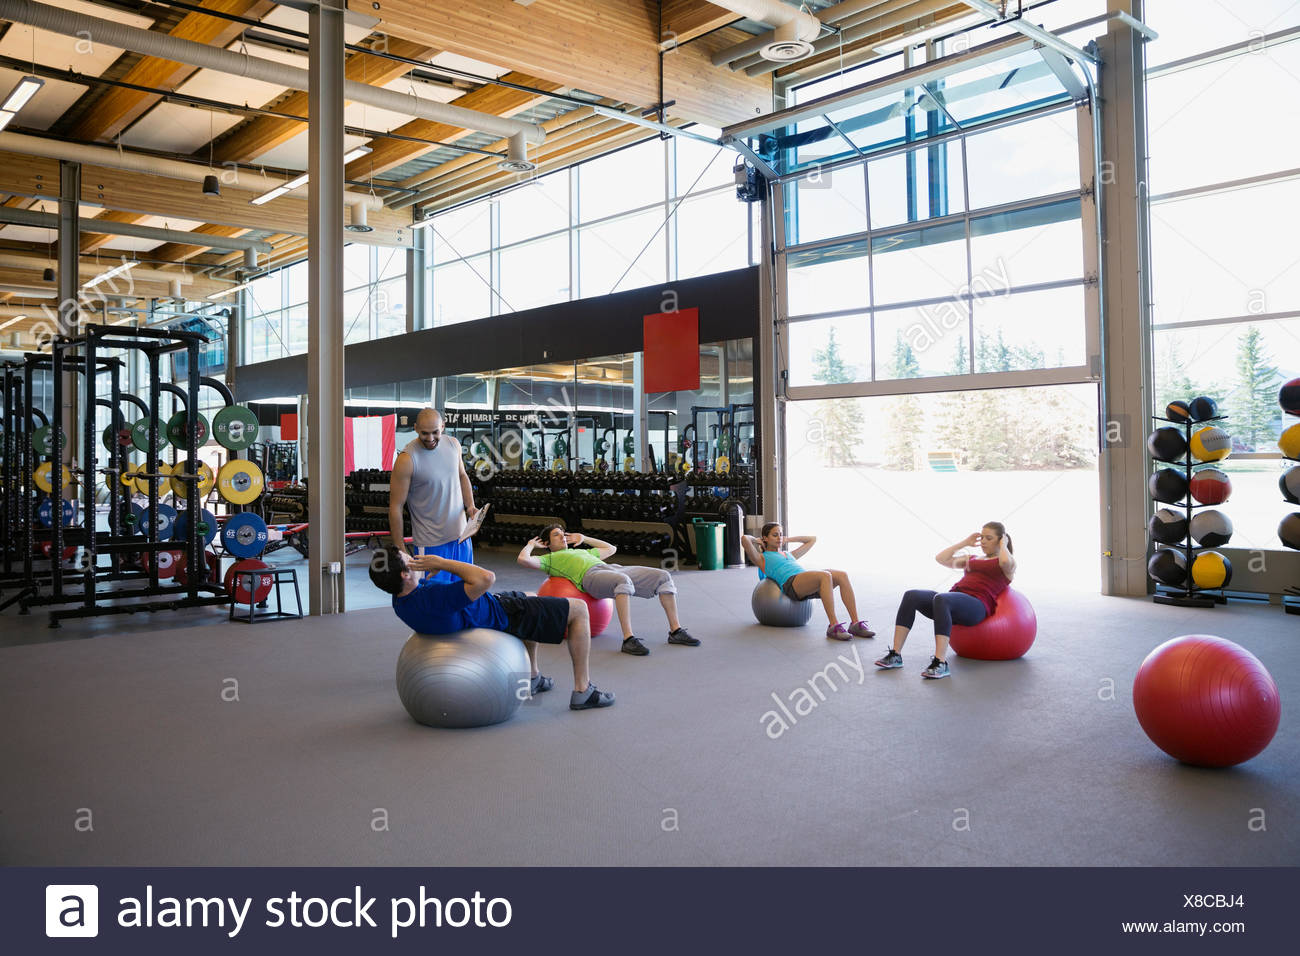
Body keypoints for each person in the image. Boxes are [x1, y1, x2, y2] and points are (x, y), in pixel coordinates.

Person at [369, 546, 614, 711]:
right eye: (409, 559)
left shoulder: (401, 602)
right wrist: (442, 562)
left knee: (531, 595)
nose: (414, 559)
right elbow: (486, 578)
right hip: (503, 615)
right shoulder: (433, 598)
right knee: (579, 609)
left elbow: (445, 596)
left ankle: (533, 677)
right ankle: (583, 690)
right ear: (405, 574)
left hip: (491, 606)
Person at [518, 524, 700, 657]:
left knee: (663, 576)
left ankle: (675, 631)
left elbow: (611, 548)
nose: (563, 537)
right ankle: (628, 639)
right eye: (557, 535)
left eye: (563, 533)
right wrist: (531, 545)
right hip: (590, 577)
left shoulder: (582, 551)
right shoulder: (550, 559)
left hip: (611, 568)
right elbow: (523, 560)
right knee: (622, 581)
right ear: (547, 543)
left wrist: (584, 538)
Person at [874, 522, 1016, 680]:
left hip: (976, 606)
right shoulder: (972, 558)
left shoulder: (1006, 564)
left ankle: (940, 663)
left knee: (942, 599)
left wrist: (1004, 545)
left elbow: (1005, 561)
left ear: (1001, 540)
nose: (983, 541)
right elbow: (941, 558)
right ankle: (896, 654)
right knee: (911, 595)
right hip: (951, 601)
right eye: (982, 537)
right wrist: (965, 543)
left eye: (988, 538)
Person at [388, 408, 481, 583]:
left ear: (443, 427)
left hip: (462, 539)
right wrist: (400, 549)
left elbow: (462, 475)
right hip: (431, 545)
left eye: (435, 432)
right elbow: (395, 507)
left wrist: (470, 505)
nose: (430, 438)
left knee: (464, 592)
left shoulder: (453, 445)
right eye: (424, 433)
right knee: (433, 595)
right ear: (415, 428)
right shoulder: (406, 459)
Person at [740, 523, 875, 641]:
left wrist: (788, 539)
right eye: (775, 535)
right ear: (765, 538)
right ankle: (833, 626)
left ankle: (855, 623)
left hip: (805, 581)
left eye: (781, 534)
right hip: (791, 584)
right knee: (825, 575)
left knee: (842, 575)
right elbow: (744, 539)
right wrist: (757, 541)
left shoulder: (789, 554)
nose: (779, 538)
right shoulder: (762, 558)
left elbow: (812, 539)